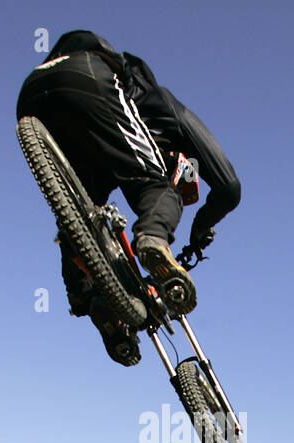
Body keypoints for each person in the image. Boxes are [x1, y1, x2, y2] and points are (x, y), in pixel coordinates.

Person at [17, 30, 241, 367]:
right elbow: (229, 188)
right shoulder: (165, 107)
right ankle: (152, 238)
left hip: (31, 96)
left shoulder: (116, 143)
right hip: (89, 75)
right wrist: (198, 234)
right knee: (159, 187)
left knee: (78, 214)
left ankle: (92, 302)